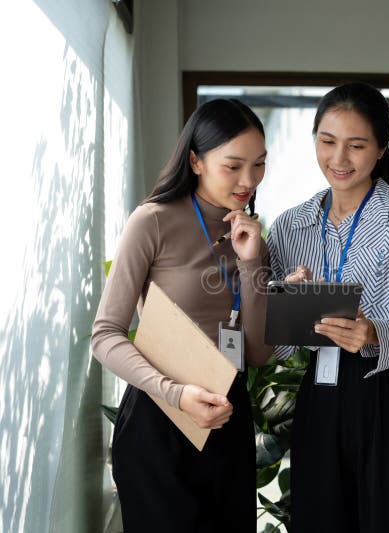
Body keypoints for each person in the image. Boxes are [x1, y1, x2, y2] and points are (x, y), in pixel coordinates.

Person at [266, 82, 389, 532]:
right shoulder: (291, 227)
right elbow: (274, 349)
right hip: (319, 399)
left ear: (381, 149)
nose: (339, 158)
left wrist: (376, 333)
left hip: (388, 397)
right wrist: (285, 305)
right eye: (327, 142)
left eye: (356, 145)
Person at [91, 98, 271, 532]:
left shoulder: (251, 235)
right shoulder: (152, 221)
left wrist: (252, 262)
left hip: (228, 416)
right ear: (195, 160)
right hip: (159, 417)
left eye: (259, 164)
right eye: (233, 166)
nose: (249, 180)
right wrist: (174, 393)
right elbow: (106, 335)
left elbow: (260, 353)